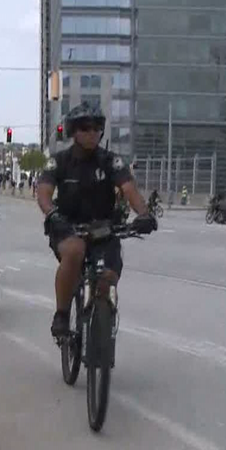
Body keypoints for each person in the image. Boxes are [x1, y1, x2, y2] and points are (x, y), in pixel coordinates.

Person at [37, 101, 156, 339]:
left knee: (108, 278)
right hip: (67, 226)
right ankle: (61, 314)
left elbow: (129, 189)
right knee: (75, 250)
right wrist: (52, 214)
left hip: (104, 229)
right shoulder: (59, 161)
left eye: (96, 128)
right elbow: (43, 194)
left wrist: (143, 214)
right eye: (84, 128)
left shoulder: (111, 161)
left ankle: (103, 322)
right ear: (73, 131)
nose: (92, 133)